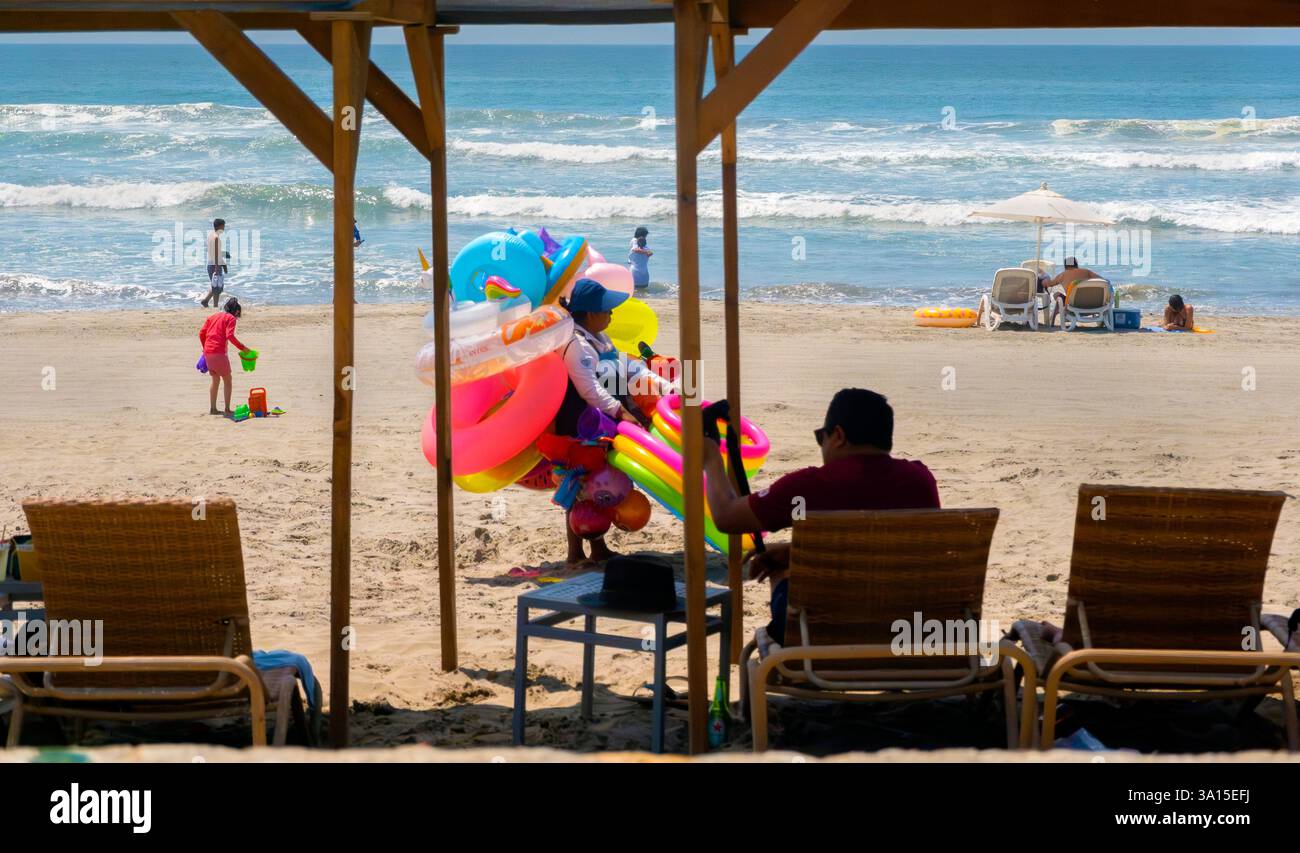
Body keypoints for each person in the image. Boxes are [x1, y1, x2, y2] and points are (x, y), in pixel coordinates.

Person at [702, 388, 939, 646]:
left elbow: (726, 516)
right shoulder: (920, 480)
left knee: (780, 572)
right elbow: (883, 549)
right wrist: (798, 551)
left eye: (821, 437)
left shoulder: (810, 485)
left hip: (819, 640)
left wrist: (711, 458)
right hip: (915, 635)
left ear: (838, 436)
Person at [556, 278, 674, 566]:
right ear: (591, 313)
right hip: (579, 423)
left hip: (598, 420)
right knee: (580, 482)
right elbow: (589, 390)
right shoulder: (577, 344)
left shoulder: (599, 339)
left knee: (598, 482)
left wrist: (660, 383)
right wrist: (621, 412)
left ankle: (597, 548)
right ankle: (575, 553)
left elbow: (624, 366)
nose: (611, 314)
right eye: (607, 310)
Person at [199, 297, 251, 417]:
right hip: (219, 352)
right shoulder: (230, 318)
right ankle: (227, 409)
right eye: (238, 314)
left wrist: (205, 348)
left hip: (208, 353)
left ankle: (213, 409)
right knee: (227, 380)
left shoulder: (212, 317)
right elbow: (230, 336)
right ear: (236, 311)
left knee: (215, 379)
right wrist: (243, 348)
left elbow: (201, 333)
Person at [200, 218, 229, 308]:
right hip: (215, 264)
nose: (224, 228)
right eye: (223, 226)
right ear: (220, 226)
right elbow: (216, 254)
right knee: (217, 287)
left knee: (215, 286)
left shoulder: (210, 236)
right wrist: (219, 266)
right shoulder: (216, 238)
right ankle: (215, 306)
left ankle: (206, 301)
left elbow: (213, 251)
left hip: (210, 263)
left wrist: (224, 254)